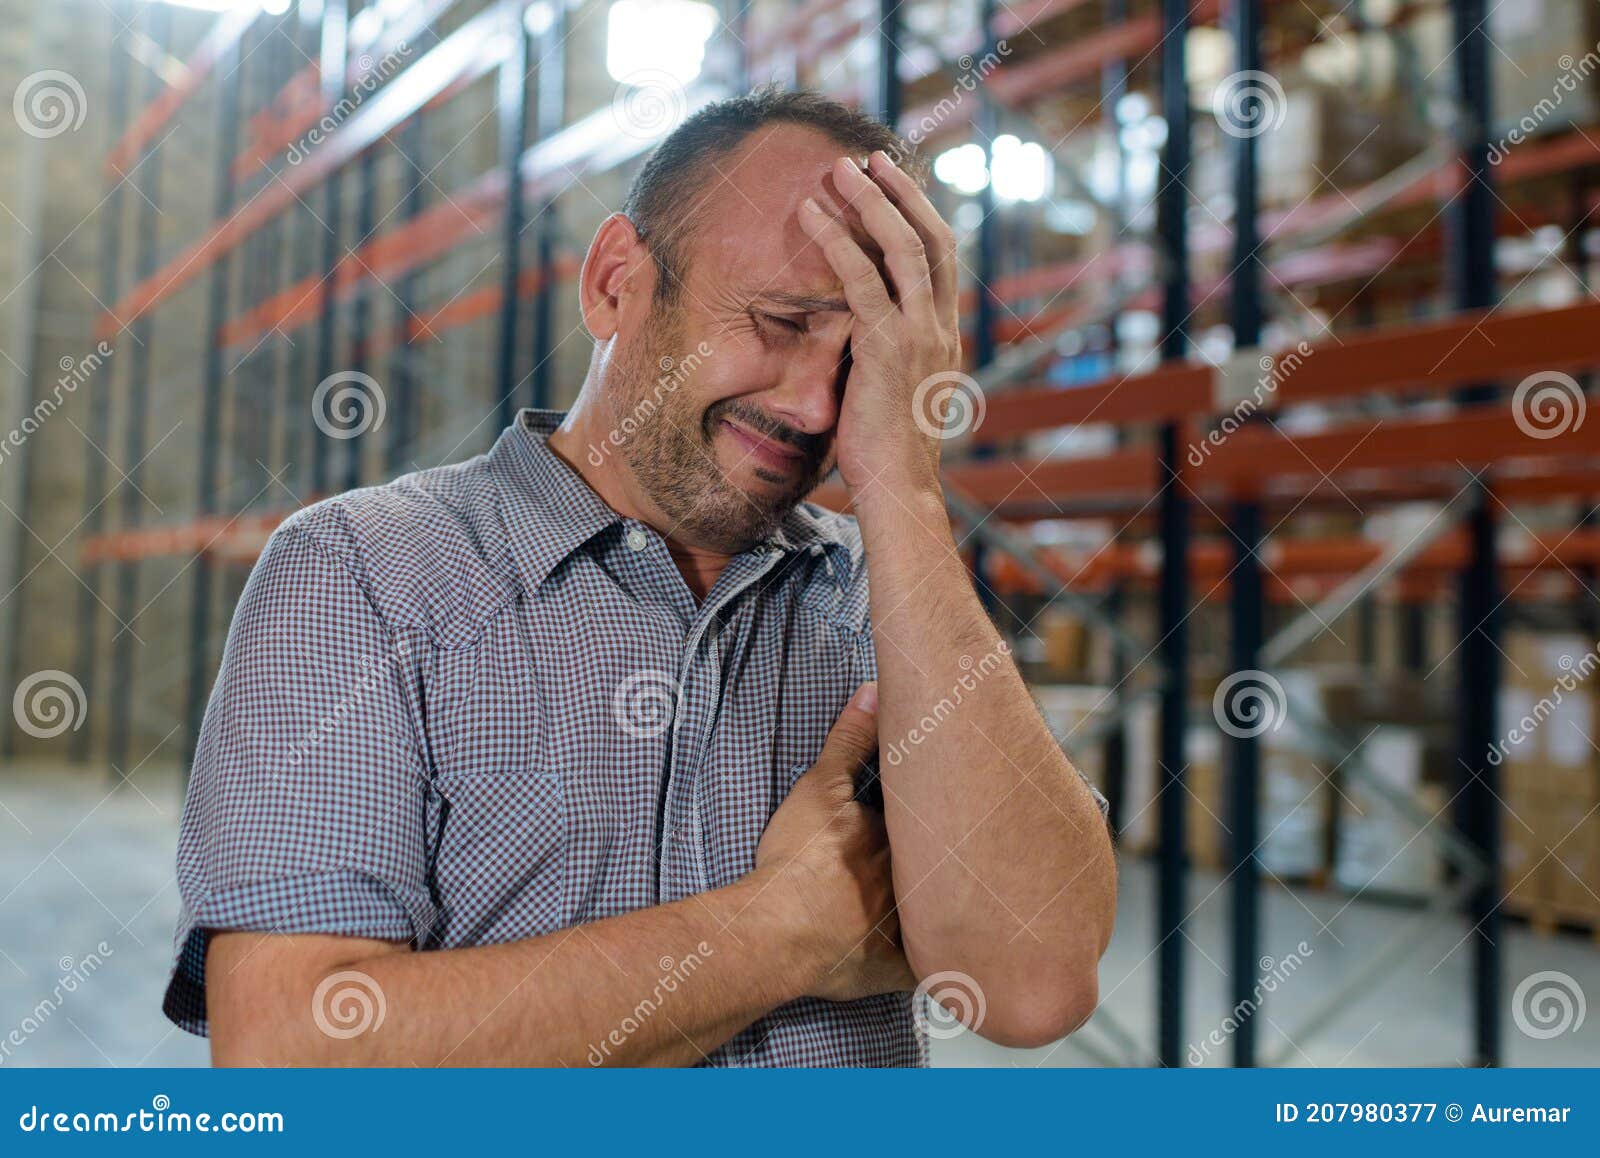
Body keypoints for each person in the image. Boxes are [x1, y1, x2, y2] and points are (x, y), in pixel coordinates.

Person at [165, 87, 1116, 1067]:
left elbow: (1034, 983)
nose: (813, 404)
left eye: (864, 361)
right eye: (782, 322)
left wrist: (906, 489)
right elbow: (294, 1058)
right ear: (617, 280)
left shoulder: (892, 596)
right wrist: (789, 929)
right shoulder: (367, 572)